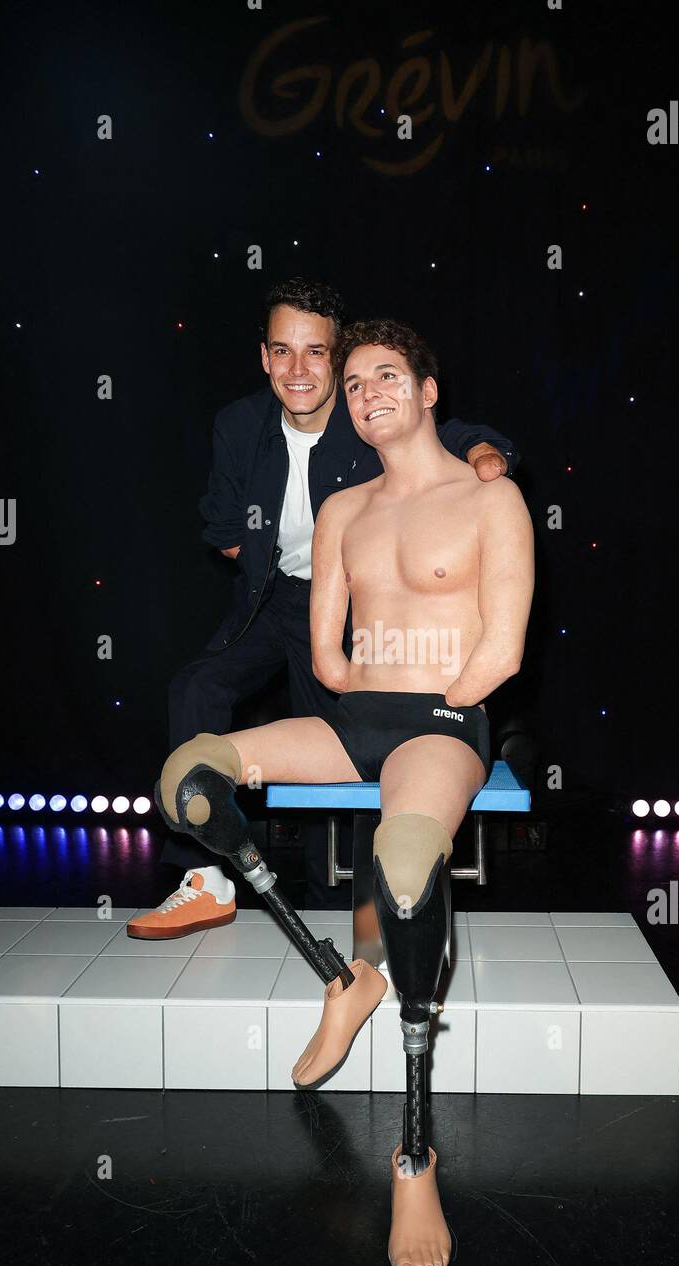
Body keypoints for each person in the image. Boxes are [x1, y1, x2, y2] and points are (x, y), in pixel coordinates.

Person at [154, 319, 534, 1266]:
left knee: (404, 868)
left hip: (447, 718)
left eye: (385, 376)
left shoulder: (491, 498)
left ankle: (414, 1155)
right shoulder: (343, 512)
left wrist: (430, 701)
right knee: (189, 780)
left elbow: (503, 651)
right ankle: (343, 973)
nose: (365, 393)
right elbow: (323, 652)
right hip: (355, 711)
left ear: (428, 389)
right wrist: (359, 687)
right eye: (354, 381)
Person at [129, 279, 519, 936]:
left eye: (316, 352)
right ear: (264, 358)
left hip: (349, 615)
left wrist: (488, 453)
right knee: (196, 687)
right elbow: (220, 524)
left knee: (342, 735)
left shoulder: (367, 415)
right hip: (270, 596)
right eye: (283, 351)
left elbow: (445, 428)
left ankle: (338, 908)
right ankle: (204, 877)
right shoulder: (239, 425)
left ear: (338, 360)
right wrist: (270, 553)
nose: (299, 369)